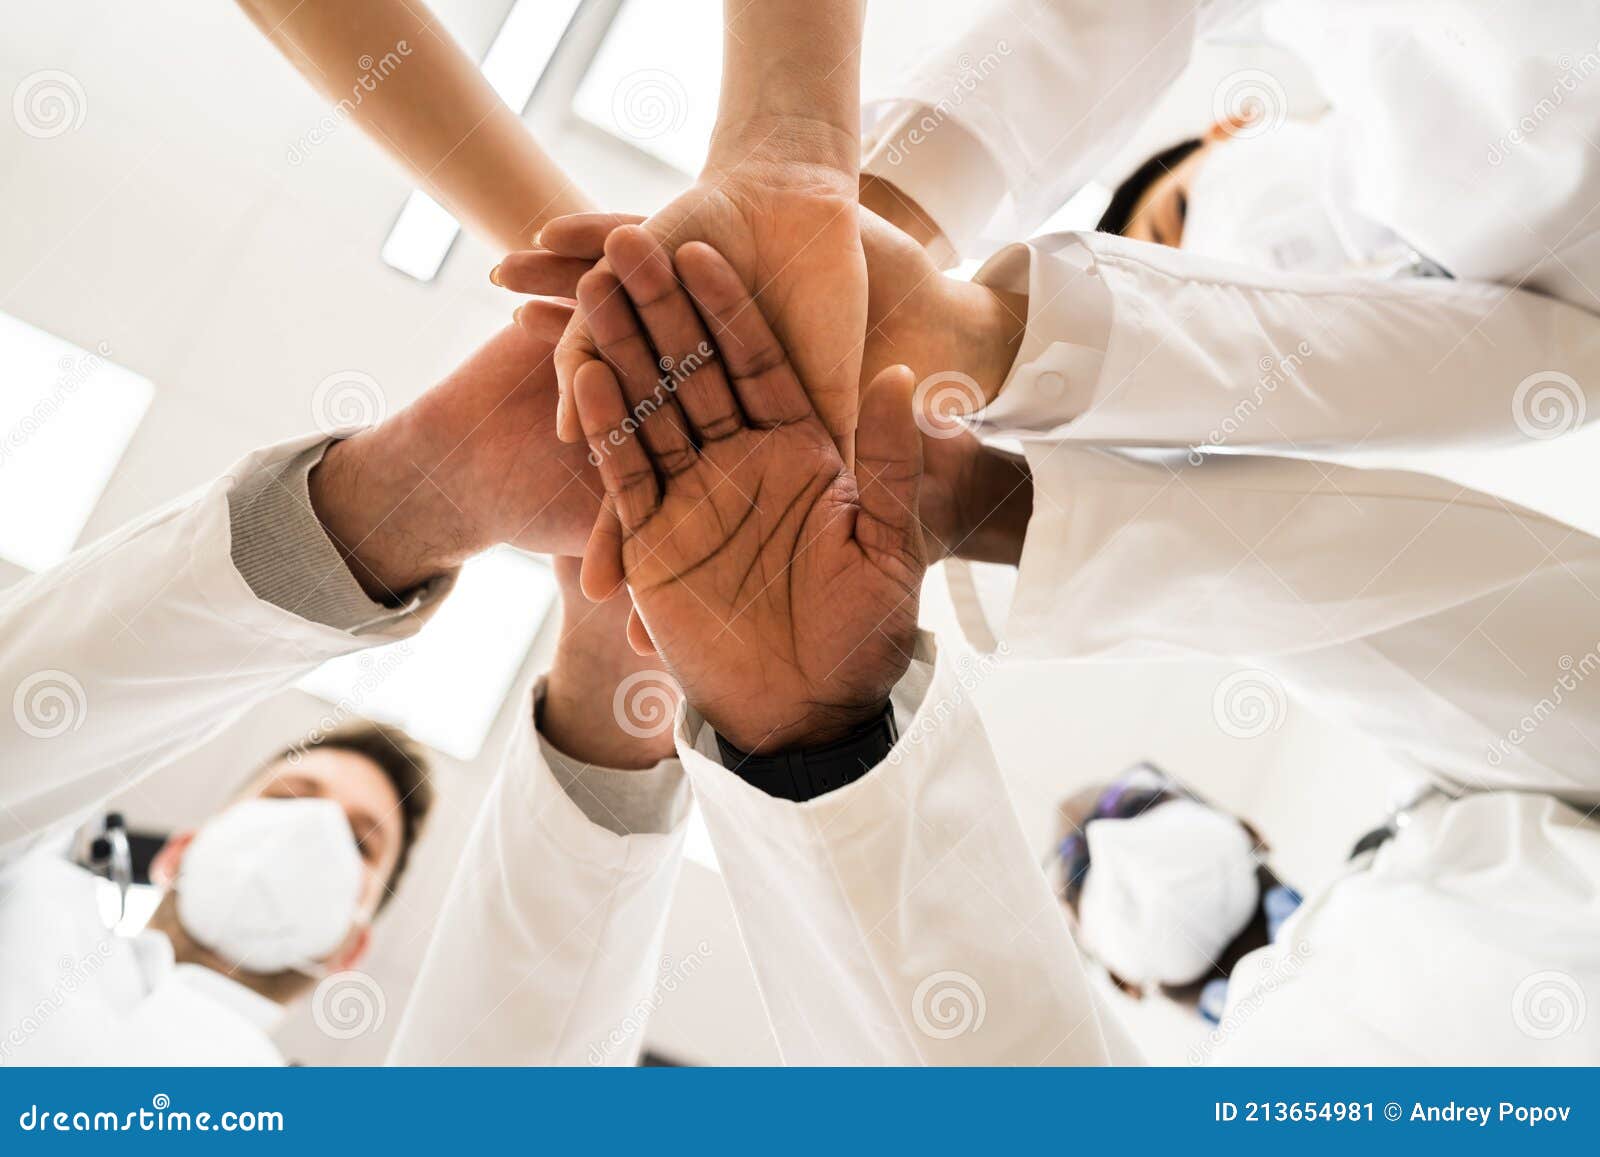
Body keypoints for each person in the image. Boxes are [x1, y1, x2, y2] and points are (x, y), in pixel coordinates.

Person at [0, 722, 433, 1064]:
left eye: (358, 844)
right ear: (179, 854)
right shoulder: (29, 892)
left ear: (351, 951)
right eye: (286, 800)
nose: (313, 833)